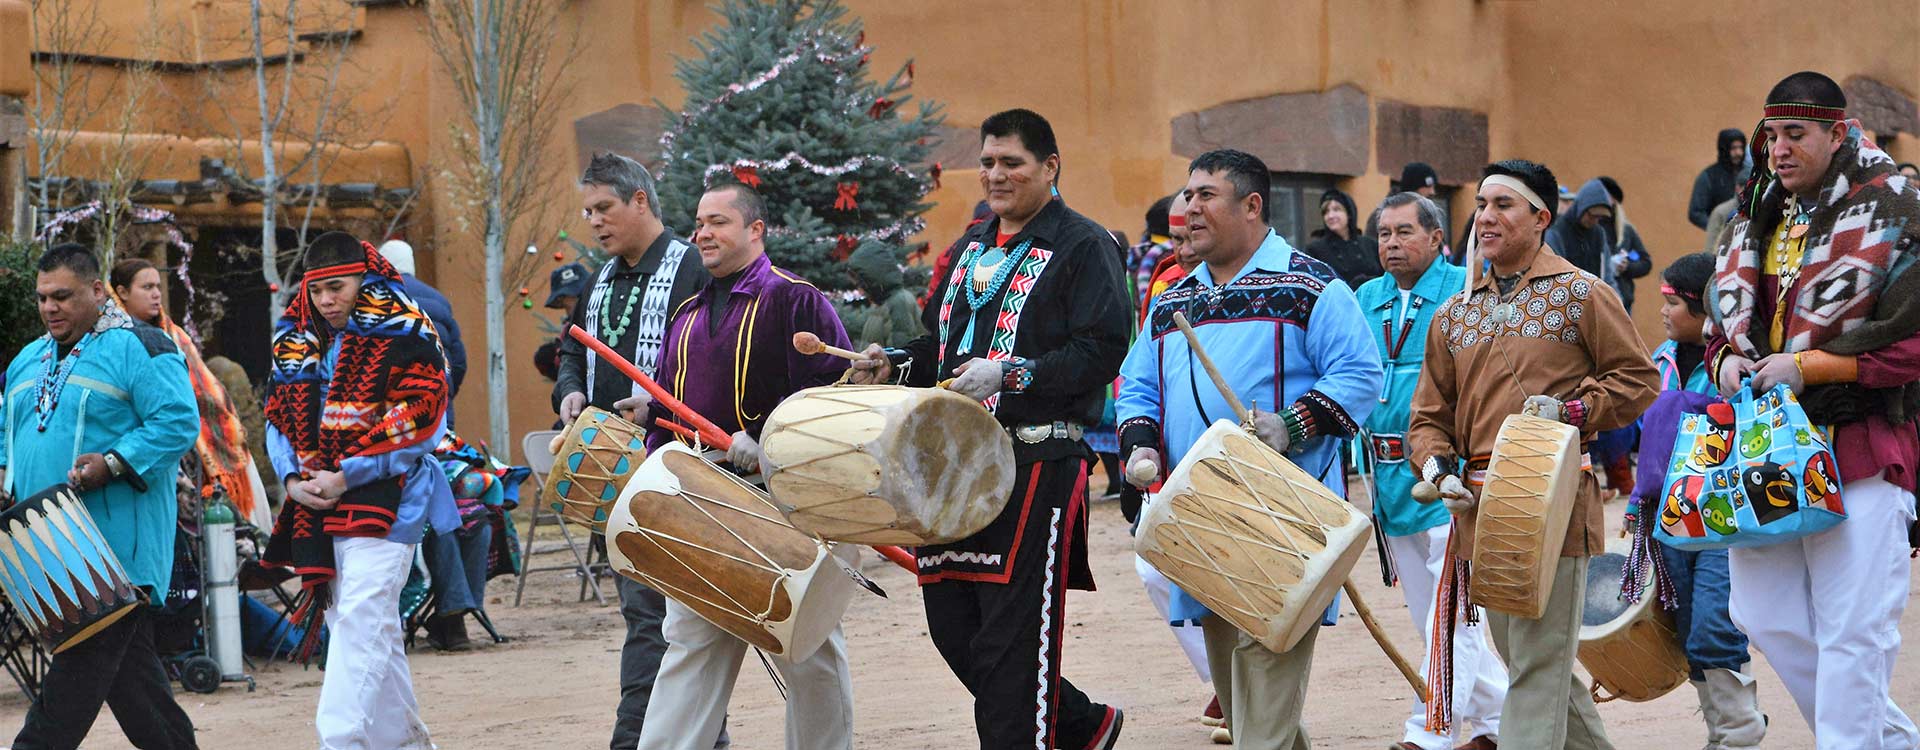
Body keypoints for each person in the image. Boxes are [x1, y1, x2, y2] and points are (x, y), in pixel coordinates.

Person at [849, 108, 1128, 750]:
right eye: (988, 162)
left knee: (1011, 641)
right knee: (954, 628)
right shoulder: (972, 242)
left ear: (1049, 167)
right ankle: (1083, 725)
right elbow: (940, 345)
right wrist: (892, 362)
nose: (995, 175)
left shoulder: (1084, 245)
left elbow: (1103, 349)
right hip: (951, 468)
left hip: (1033, 465)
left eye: (1012, 163)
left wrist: (1012, 374)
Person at [1118, 148, 1381, 750]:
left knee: (1262, 698)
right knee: (1245, 709)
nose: (1189, 208)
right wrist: (1142, 447)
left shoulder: (1311, 285)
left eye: (1205, 195)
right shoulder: (1171, 300)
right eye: (1188, 196)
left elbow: (1362, 373)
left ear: (1252, 205)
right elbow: (1137, 385)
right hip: (1202, 518)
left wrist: (1292, 424)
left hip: (1284, 516)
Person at [1407, 159, 1658, 750]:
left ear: (1542, 218)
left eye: (1504, 205)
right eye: (1482, 205)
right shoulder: (1454, 313)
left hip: (1555, 505)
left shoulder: (1583, 294)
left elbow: (1639, 378)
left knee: (1539, 667)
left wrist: (1573, 411)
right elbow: (1427, 417)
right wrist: (1436, 465)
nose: (1486, 217)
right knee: (1531, 665)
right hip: (1478, 512)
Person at [1706, 71, 1920, 749]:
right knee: (1764, 617)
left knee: (1854, 631)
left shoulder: (1899, 211)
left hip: (1860, 445)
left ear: (1837, 132)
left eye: (1795, 134)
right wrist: (1726, 361)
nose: (1779, 149)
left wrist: (1811, 366)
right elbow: (1720, 328)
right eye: (1772, 135)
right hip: (1762, 454)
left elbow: (1911, 345)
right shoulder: (1753, 213)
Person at [635, 182, 857, 750]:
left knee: (806, 644)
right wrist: (654, 430)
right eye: (699, 223)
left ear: (756, 230)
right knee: (690, 640)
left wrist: (765, 440)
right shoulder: (686, 313)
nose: (703, 233)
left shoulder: (795, 299)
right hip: (703, 498)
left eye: (719, 222)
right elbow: (669, 407)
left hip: (784, 499)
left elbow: (831, 399)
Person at [262, 231, 454, 749]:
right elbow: (277, 414)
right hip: (317, 503)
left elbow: (423, 419)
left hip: (390, 500)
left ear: (364, 279)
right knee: (372, 631)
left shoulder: (408, 330)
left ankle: (339, 739)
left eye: (338, 288)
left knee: (359, 620)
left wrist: (347, 475)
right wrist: (294, 480)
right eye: (318, 290)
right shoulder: (296, 339)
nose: (326, 301)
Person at [3, 244, 200, 750]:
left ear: (96, 291)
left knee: (70, 688)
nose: (50, 308)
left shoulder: (143, 346)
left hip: (114, 555)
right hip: (48, 548)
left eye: (63, 296)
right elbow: (8, 433)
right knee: (141, 697)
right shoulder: (28, 359)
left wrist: (113, 462)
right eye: (43, 298)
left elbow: (178, 421)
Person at [551, 152, 711, 750]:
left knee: (661, 621)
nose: (594, 221)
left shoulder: (693, 268)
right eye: (588, 210)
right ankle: (700, 738)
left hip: (679, 472)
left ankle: (634, 740)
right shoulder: (599, 280)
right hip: (613, 479)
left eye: (605, 208)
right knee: (659, 621)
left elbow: (714, 364)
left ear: (640, 200)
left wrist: (663, 410)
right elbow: (570, 350)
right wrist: (570, 391)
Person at [1355, 193, 1505, 750]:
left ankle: (1429, 733)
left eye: (1404, 232)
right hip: (1387, 477)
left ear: (1438, 238)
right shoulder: (1365, 297)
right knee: (1432, 619)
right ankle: (1497, 723)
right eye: (1383, 234)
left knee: (1454, 613)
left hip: (1450, 475)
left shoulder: (1466, 291)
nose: (1391, 244)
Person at [1626, 252, 1767, 749]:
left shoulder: (1735, 365)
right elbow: (1651, 447)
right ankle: (1721, 734)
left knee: (1713, 623)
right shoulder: (1659, 361)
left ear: (1703, 308)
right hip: (1669, 520)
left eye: (1672, 301)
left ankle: (1741, 730)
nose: (1663, 311)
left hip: (1723, 519)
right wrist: (1636, 507)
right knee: (1687, 628)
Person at [110, 258, 269, 531]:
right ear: (122, 292)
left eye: (157, 287)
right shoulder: (111, 339)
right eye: (146, 287)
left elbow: (203, 390)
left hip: (193, 440)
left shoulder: (174, 335)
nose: (156, 294)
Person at [378, 239, 467, 401]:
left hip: (394, 410)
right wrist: (446, 391)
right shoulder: (440, 300)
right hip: (439, 405)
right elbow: (459, 361)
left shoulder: (376, 300)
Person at [846, 241, 922, 350]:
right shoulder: (881, 303)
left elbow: (900, 354)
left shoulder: (899, 303)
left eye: (861, 284)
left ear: (873, 280)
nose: (860, 291)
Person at [1593, 176, 1653, 313]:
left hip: (1623, 301)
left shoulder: (1626, 231)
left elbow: (1645, 262)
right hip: (1597, 298)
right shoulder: (1590, 229)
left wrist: (1627, 266)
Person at [1304, 187, 1383, 287]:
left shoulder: (1371, 245)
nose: (1330, 216)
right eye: (1326, 212)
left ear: (1349, 213)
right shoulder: (1315, 250)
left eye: (1337, 209)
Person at [1690, 128, 1748, 230]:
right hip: (1720, 238)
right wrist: (1718, 228)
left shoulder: (1749, 173)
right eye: (1733, 148)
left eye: (1740, 147)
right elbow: (1696, 212)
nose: (1738, 152)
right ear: (1724, 150)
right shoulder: (1709, 176)